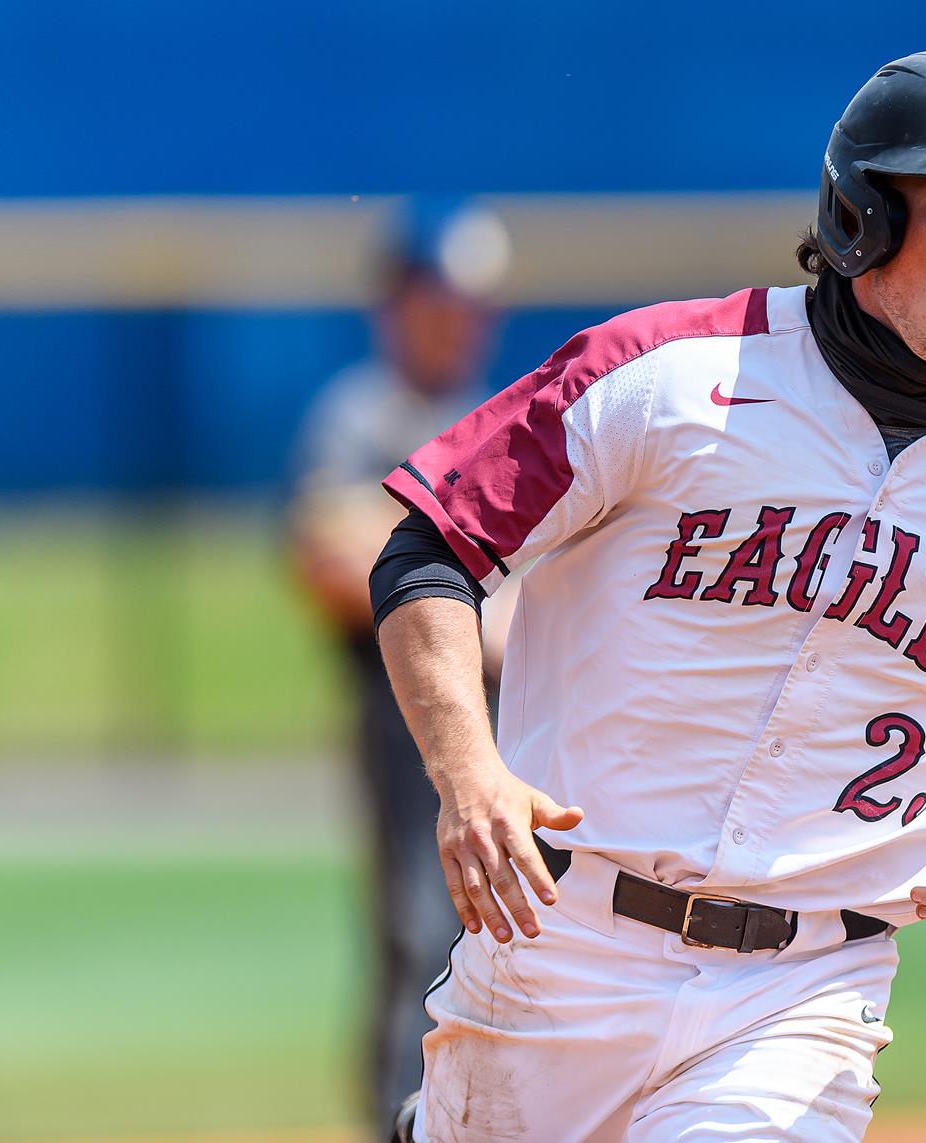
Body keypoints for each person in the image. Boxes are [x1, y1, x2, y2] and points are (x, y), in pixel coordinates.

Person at [370, 50, 926, 1142]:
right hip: (561, 941)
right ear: (862, 212)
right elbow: (431, 549)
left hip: (805, 989)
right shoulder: (666, 376)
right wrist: (467, 774)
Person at [285, 198, 516, 1137]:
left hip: (515, 719)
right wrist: (481, 615)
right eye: (436, 300)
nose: (455, 321)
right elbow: (331, 556)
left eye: (469, 304)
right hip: (404, 719)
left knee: (511, 935)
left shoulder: (496, 417)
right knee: (418, 929)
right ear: (395, 304)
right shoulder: (363, 412)